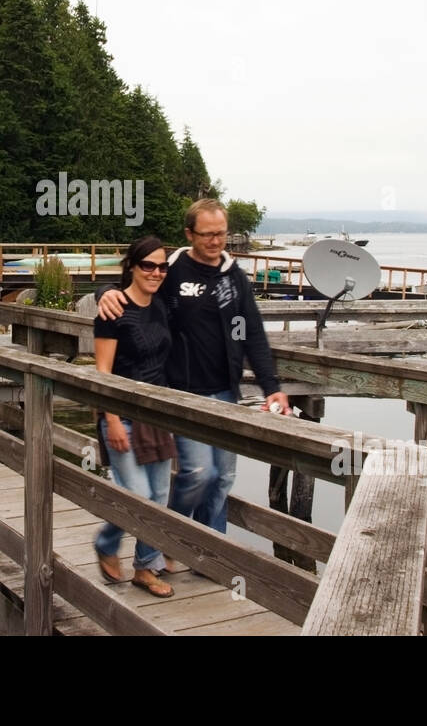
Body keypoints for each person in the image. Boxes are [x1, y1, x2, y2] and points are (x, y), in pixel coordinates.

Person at [98, 199, 289, 535]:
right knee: (198, 473)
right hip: (182, 392)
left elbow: (253, 334)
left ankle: (210, 547)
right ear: (189, 233)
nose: (216, 242)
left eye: (221, 234)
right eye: (207, 234)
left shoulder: (235, 279)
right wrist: (106, 291)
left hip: (227, 393)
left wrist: (271, 386)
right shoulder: (173, 271)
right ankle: (176, 534)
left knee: (224, 478)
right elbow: (138, 287)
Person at [93, 235, 178, 598]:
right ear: (132, 265)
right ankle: (106, 541)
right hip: (122, 416)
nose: (156, 272)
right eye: (148, 265)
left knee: (158, 495)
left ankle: (146, 568)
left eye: (162, 266)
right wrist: (111, 419)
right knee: (139, 495)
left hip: (156, 415)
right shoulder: (112, 311)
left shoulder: (163, 304)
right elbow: (102, 371)